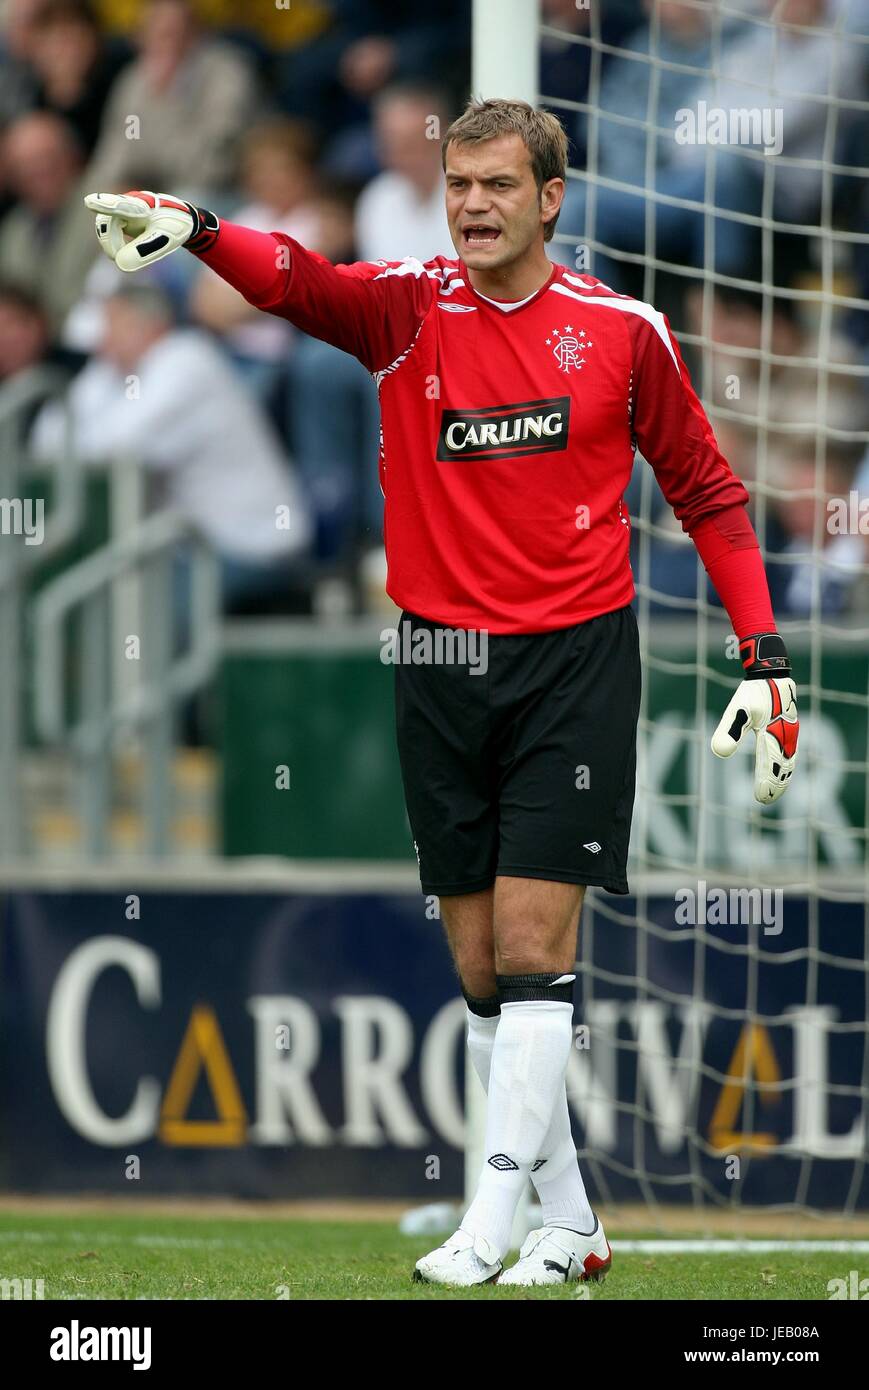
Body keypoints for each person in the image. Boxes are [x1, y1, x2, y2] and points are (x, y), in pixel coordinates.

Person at [83, 99, 800, 1289]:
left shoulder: (622, 334)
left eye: (496, 185)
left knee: (530, 947)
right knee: (479, 971)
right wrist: (202, 227)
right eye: (457, 181)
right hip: (435, 662)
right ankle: (568, 1223)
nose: (470, 203)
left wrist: (762, 654)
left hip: (571, 658)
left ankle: (488, 1216)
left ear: (549, 198)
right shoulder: (408, 311)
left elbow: (710, 496)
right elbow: (297, 280)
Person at [31, 283, 312, 616]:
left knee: (139, 618)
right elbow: (45, 441)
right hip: (191, 549)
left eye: (114, 325)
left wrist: (82, 434)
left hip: (254, 548)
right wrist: (101, 375)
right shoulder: (115, 372)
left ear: (152, 325)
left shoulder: (187, 359)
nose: (102, 340)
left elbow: (113, 447)